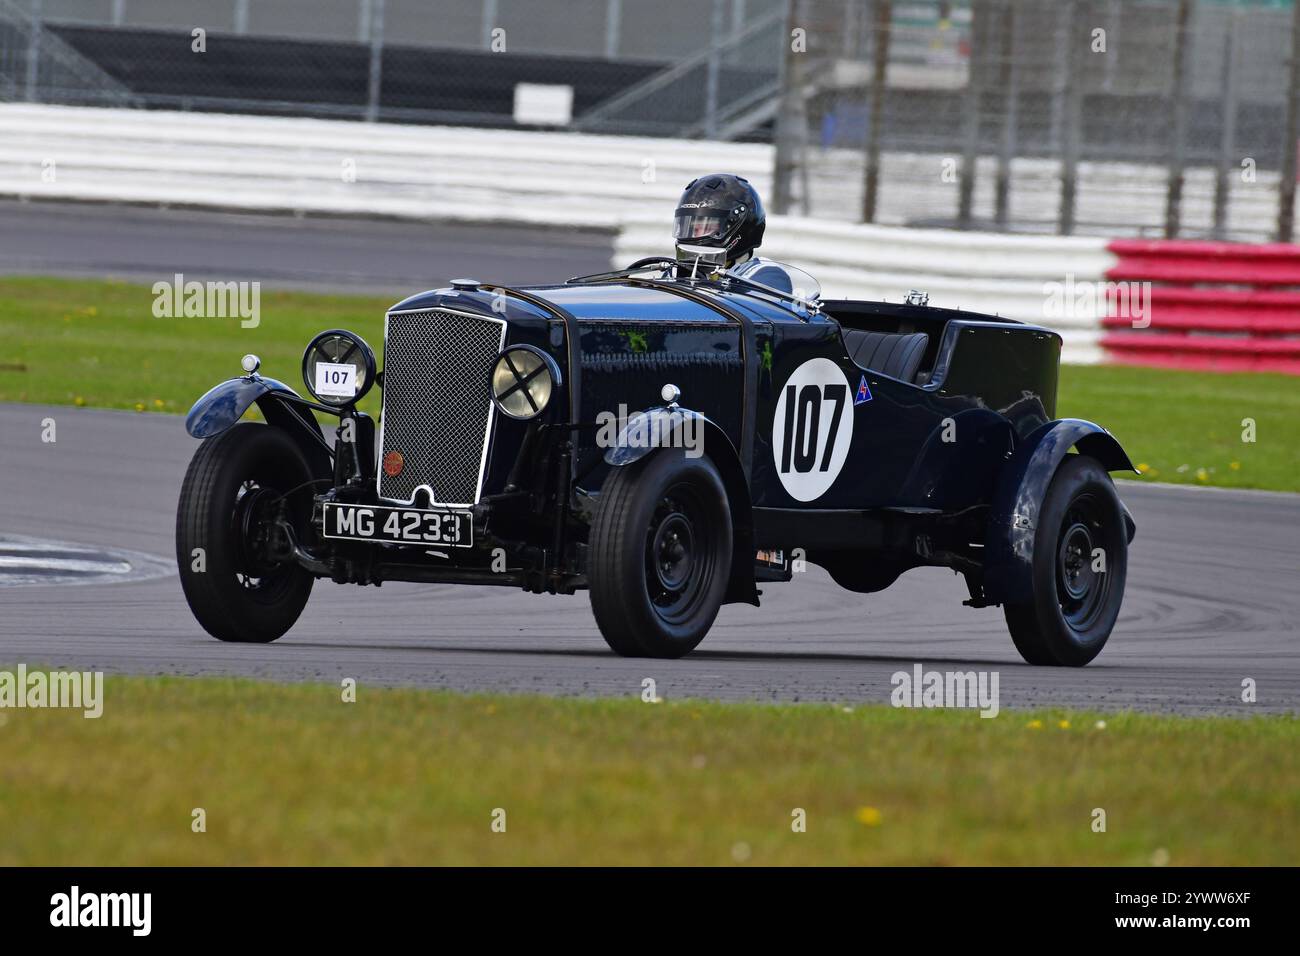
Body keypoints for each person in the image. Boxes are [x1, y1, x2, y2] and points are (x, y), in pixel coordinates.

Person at [672, 173, 817, 302]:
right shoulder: (673, 271)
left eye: (705, 227)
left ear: (739, 226)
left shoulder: (764, 275)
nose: (694, 235)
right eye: (690, 227)